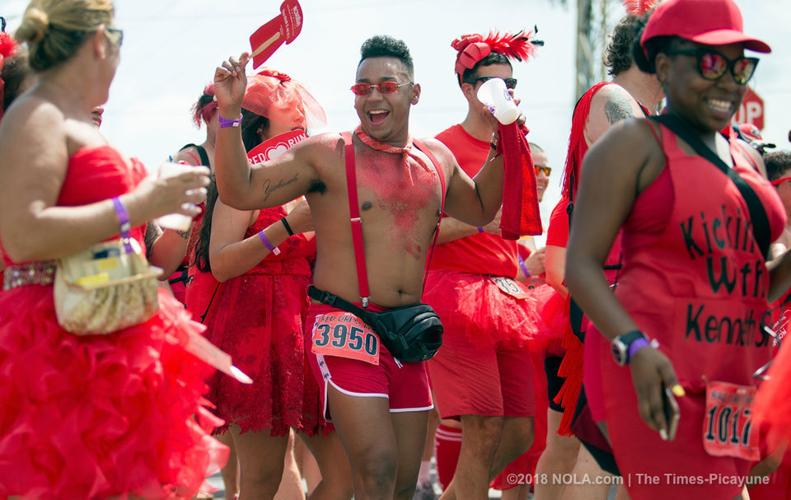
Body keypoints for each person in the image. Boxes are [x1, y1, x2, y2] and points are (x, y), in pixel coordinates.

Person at [212, 34, 521, 499]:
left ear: (414, 93)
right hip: (343, 324)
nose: (373, 97)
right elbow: (241, 190)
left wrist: (505, 141)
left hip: (407, 332)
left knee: (398, 482)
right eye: (363, 88)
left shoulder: (435, 159)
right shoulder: (326, 154)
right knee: (375, 470)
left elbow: (479, 207)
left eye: (387, 86)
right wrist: (231, 114)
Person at [0, 0, 225, 497]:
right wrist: (138, 204)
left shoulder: (68, 120)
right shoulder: (34, 114)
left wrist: (174, 215)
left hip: (109, 331)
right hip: (56, 338)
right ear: (100, 43)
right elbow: (23, 234)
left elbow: (155, 258)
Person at [566, 0, 790, 498]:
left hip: (729, 381)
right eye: (710, 62)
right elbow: (580, 266)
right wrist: (637, 348)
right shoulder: (633, 145)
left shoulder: (746, 157)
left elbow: (755, 285)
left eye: (739, 65)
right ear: (664, 65)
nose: (728, 79)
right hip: (654, 370)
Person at [202, 69, 351, 499]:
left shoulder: (313, 181)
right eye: (292, 114)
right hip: (254, 331)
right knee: (262, 482)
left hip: (310, 331)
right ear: (261, 125)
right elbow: (222, 263)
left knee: (347, 477)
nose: (303, 121)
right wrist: (287, 226)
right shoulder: (242, 178)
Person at [542, 8, 663, 498]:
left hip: (621, 291)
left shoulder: (642, 111)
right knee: (609, 454)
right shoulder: (614, 97)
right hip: (614, 293)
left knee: (595, 451)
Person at [420, 29, 541, 500]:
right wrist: (480, 222)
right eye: (492, 84)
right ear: (467, 90)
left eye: (510, 86)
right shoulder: (439, 148)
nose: (503, 94)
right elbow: (421, 231)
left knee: (520, 434)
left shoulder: (514, 144)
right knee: (485, 427)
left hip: (507, 296)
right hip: (455, 294)